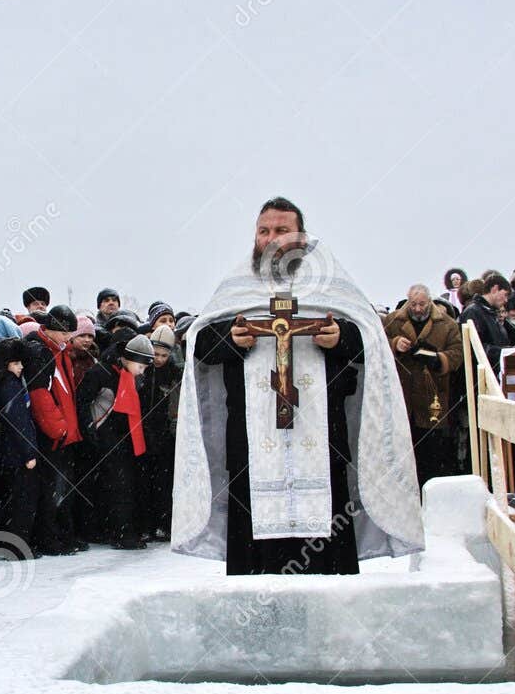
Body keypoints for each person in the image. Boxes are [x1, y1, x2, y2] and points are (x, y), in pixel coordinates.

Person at [176, 196, 422, 575]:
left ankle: (328, 619)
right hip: (251, 441)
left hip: (322, 438)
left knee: (327, 552)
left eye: (281, 230)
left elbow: (369, 341)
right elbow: (201, 344)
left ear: (302, 238)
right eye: (264, 231)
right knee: (253, 556)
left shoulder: (331, 285)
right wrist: (231, 337)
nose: (271, 239)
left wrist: (340, 338)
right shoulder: (237, 286)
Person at [77, 332, 156, 549]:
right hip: (105, 439)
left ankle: (120, 530)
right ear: (129, 359)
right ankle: (120, 533)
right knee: (118, 487)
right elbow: (82, 401)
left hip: (126, 438)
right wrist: (89, 430)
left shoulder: (133, 376)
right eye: (141, 366)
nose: (143, 371)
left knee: (124, 486)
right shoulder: (101, 372)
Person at [383, 283, 462, 486]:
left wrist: (438, 359)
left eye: (422, 304)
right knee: (403, 448)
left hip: (432, 394)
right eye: (414, 304)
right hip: (403, 392)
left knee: (432, 450)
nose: (418, 309)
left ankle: (432, 489)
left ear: (429, 302)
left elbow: (457, 354)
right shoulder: (392, 321)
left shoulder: (447, 324)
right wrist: (395, 344)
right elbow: (380, 344)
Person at [23, 303, 85, 556]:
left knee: (62, 489)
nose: (67, 338)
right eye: (63, 333)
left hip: (64, 433)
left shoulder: (59, 351)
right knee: (51, 490)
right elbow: (40, 398)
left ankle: (63, 535)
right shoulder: (41, 352)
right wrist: (59, 429)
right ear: (49, 329)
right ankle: (50, 539)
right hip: (53, 436)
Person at [0, 336, 41, 556]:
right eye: (16, 362)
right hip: (17, 455)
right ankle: (19, 546)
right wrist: (29, 452)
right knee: (22, 502)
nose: (21, 367)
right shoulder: (10, 385)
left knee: (9, 501)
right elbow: (19, 421)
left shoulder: (0, 383)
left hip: (8, 453)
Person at [138, 323, 181, 540]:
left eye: (164, 355)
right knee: (144, 482)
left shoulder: (175, 373)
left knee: (164, 483)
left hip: (166, 435)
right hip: (144, 431)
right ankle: (146, 524)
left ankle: (164, 524)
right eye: (156, 354)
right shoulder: (143, 369)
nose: (159, 359)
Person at [460, 273, 511, 372]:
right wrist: (503, 353)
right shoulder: (473, 312)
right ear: (495, 289)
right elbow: (473, 347)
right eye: (505, 294)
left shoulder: (490, 313)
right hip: (479, 378)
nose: (506, 300)